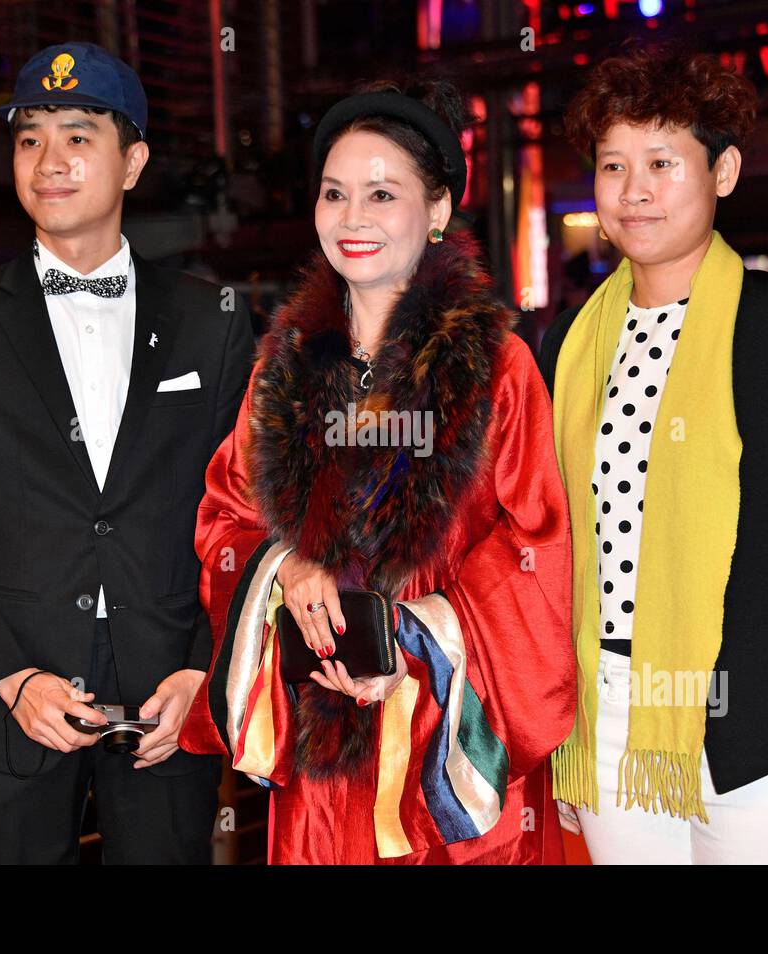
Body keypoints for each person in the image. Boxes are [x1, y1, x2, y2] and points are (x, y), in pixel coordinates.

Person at [179, 80, 577, 864]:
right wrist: (285, 568)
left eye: (381, 193)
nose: (352, 217)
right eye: (334, 193)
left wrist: (414, 637)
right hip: (324, 773)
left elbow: (538, 552)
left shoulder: (496, 368)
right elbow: (226, 519)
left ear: (435, 213)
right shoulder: (282, 370)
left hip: (450, 759)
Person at [0, 42, 254, 863]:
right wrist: (10, 677)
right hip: (9, 716)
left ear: (133, 162)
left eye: (79, 136)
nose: (49, 161)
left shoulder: (211, 321)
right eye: (29, 138)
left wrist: (204, 673)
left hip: (166, 709)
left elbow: (241, 522)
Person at [538, 40, 768, 864]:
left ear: (722, 173)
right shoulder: (571, 343)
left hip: (759, 712)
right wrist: (563, 734)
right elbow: (554, 545)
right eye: (613, 167)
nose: (634, 190)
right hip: (612, 715)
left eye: (661, 161)